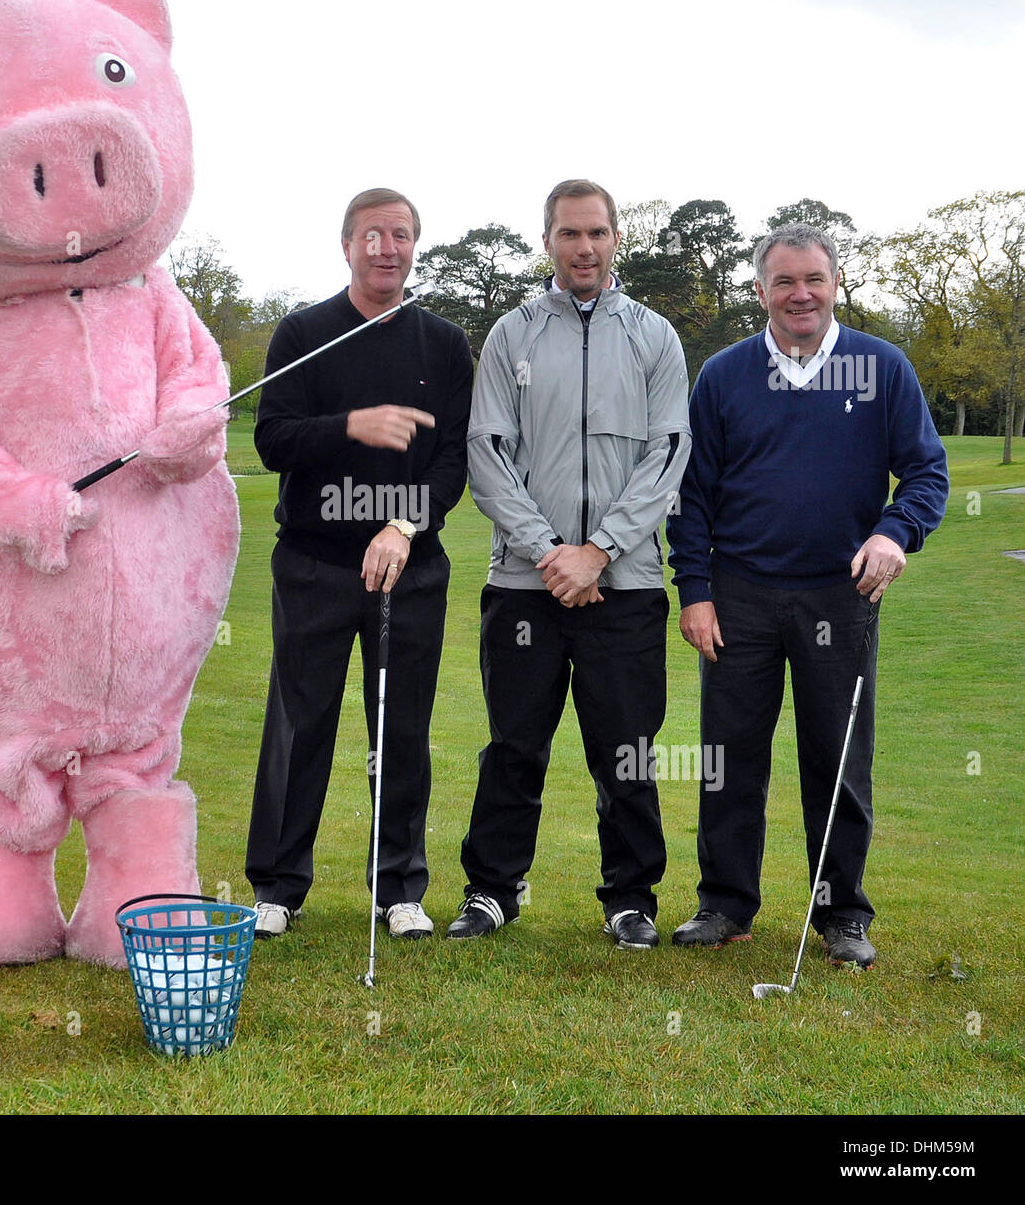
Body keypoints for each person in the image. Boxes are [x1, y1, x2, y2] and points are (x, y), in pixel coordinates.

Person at [666, 222, 948, 967]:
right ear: (759, 291)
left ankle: (841, 914)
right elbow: (690, 496)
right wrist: (694, 590)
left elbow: (926, 472)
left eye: (813, 280)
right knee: (729, 759)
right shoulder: (722, 375)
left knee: (839, 759)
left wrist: (895, 532)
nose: (800, 294)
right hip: (738, 596)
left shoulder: (881, 367)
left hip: (840, 595)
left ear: (835, 284)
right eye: (784, 282)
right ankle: (725, 905)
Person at [450, 178, 691, 949]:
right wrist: (552, 553)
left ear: (617, 237)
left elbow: (668, 454)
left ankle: (630, 895)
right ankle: (493, 888)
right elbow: (486, 453)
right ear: (547, 240)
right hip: (526, 584)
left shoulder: (655, 336)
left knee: (625, 750)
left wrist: (600, 552)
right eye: (568, 234)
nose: (583, 247)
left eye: (596, 233)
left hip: (625, 586)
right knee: (514, 743)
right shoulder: (511, 334)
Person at [245, 188, 473, 939]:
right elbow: (273, 439)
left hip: (408, 562)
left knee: (401, 729)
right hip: (313, 561)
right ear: (347, 245)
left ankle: (399, 887)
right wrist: (351, 425)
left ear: (415, 248)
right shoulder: (304, 333)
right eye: (372, 235)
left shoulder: (441, 342)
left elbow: (451, 461)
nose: (388, 247)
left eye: (401, 236)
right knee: (299, 722)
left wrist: (405, 526)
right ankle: (278, 886)